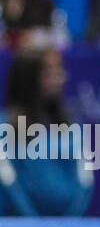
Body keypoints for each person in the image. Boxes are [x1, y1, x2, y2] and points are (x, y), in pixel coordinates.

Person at [0, 47, 94, 216]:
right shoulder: (5, 127)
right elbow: (7, 181)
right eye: (49, 71)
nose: (60, 78)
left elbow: (85, 180)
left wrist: (69, 221)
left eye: (59, 69)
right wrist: (31, 222)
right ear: (28, 77)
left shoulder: (72, 126)